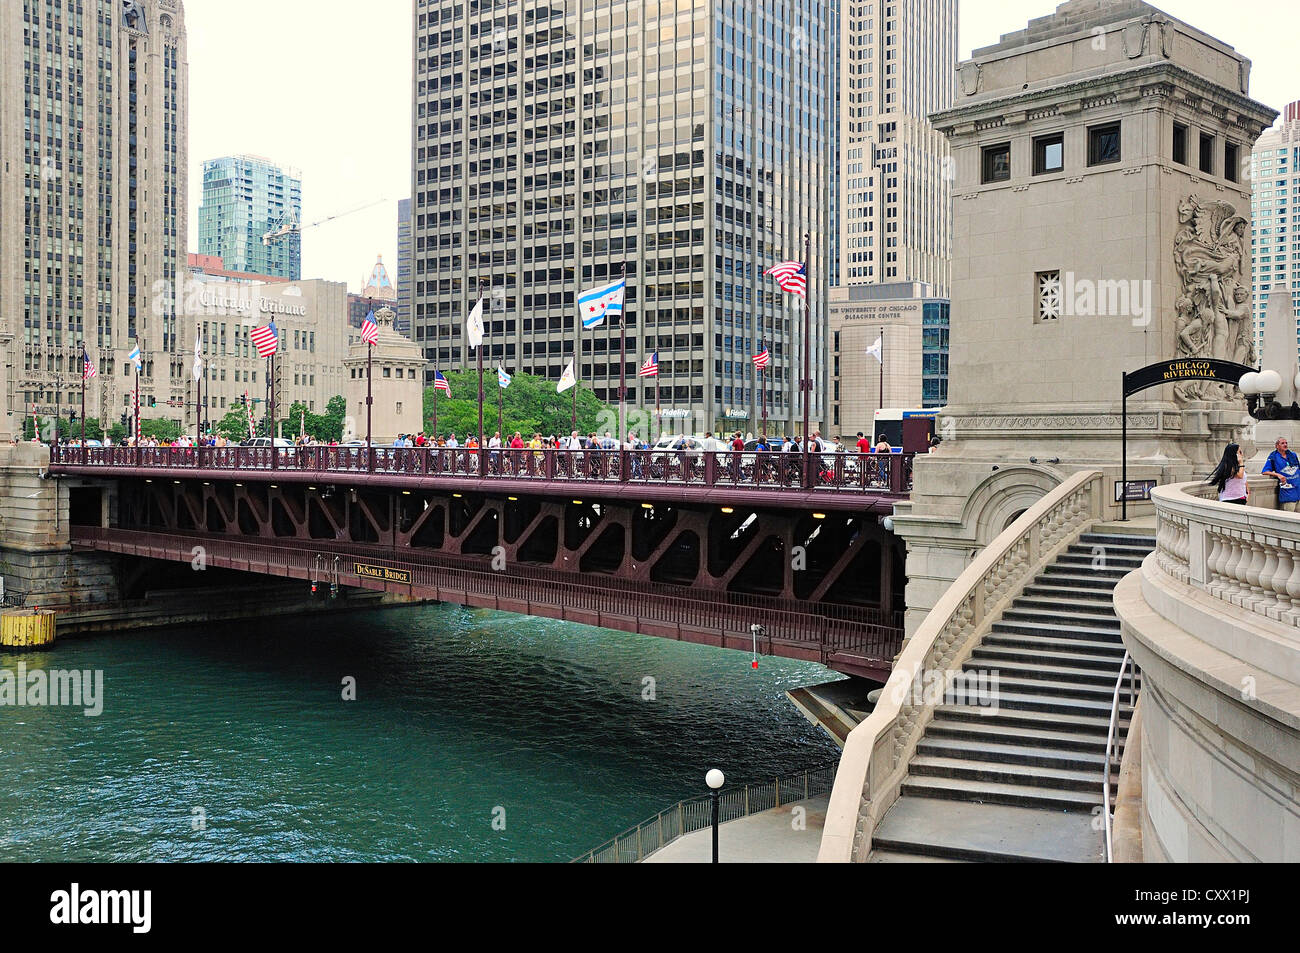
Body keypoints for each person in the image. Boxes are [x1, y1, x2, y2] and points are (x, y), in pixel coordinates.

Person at [1262, 436, 1299, 512]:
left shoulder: (1293, 455)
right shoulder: (1273, 457)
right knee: (1289, 518)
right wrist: (1278, 475)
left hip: (1298, 490)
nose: (1285, 445)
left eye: (1286, 443)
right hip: (1288, 493)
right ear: (1277, 446)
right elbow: (1264, 471)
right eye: (1282, 443)